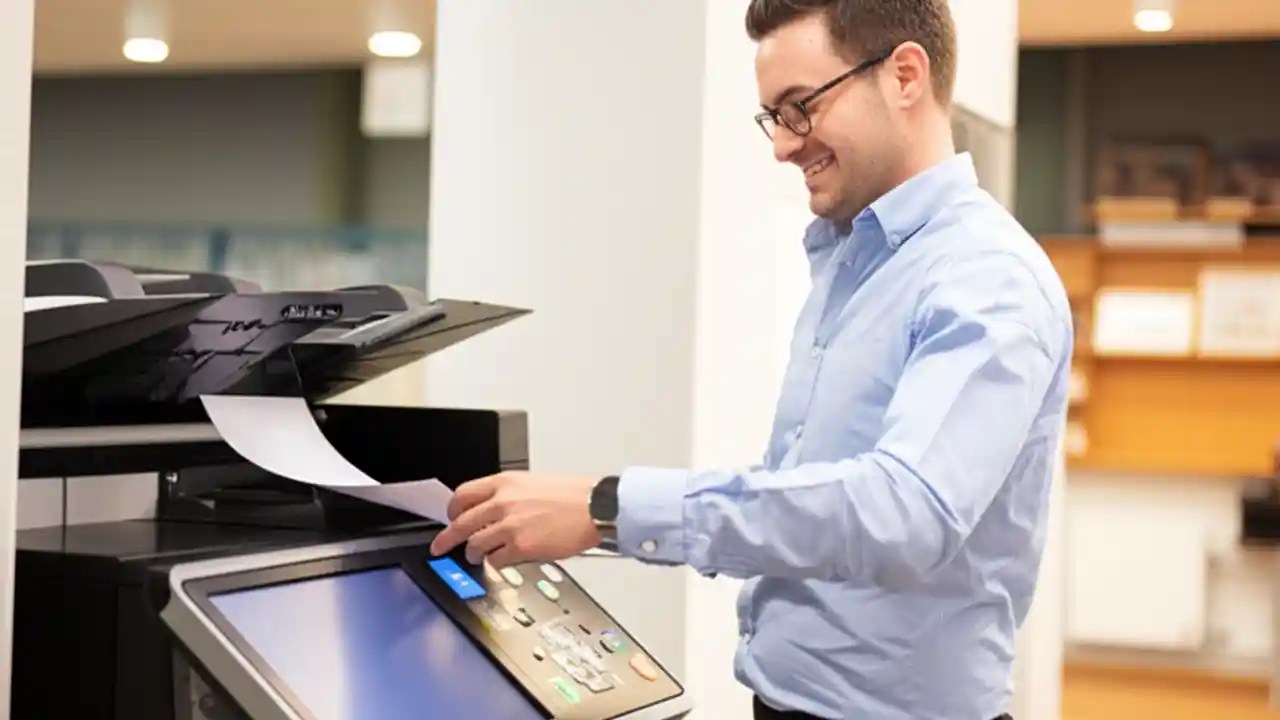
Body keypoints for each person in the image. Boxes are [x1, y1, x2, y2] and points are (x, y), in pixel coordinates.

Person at [429, 1, 1073, 718]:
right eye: (773, 116)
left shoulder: (985, 275)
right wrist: (592, 521)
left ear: (905, 76)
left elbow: (903, 512)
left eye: (800, 108)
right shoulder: (850, 263)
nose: (783, 146)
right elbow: (807, 494)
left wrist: (604, 507)